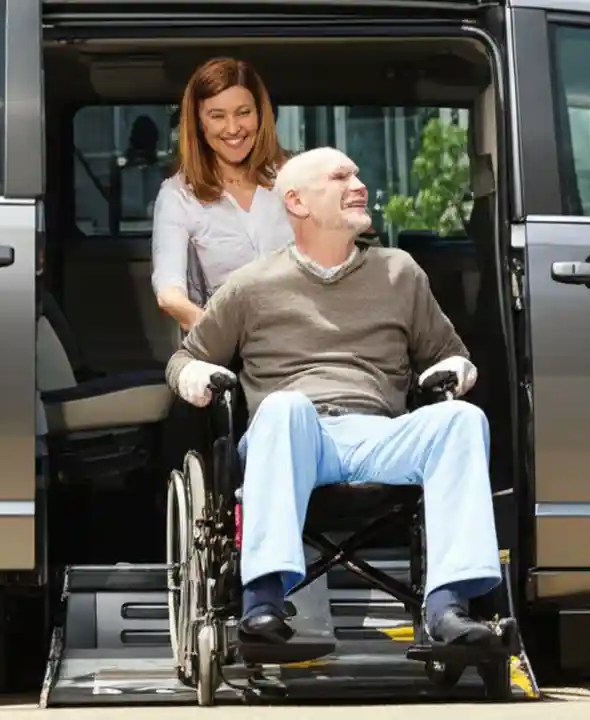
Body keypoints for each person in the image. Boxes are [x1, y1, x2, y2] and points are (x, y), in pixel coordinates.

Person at [164, 147, 502, 649]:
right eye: (341, 176)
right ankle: (262, 601)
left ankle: (448, 605)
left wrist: (456, 367)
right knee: (285, 405)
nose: (359, 183)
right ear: (297, 202)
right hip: (295, 437)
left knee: (461, 419)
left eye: (358, 172)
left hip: (381, 432)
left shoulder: (399, 273)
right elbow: (183, 358)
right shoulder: (251, 285)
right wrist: (193, 373)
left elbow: (448, 353)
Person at [150, 57, 294, 332]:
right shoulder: (178, 195)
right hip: (232, 345)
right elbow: (170, 296)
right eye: (217, 116)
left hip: (308, 338)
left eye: (243, 113)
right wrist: (222, 337)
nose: (232, 128)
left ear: (261, 114)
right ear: (199, 123)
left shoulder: (295, 176)